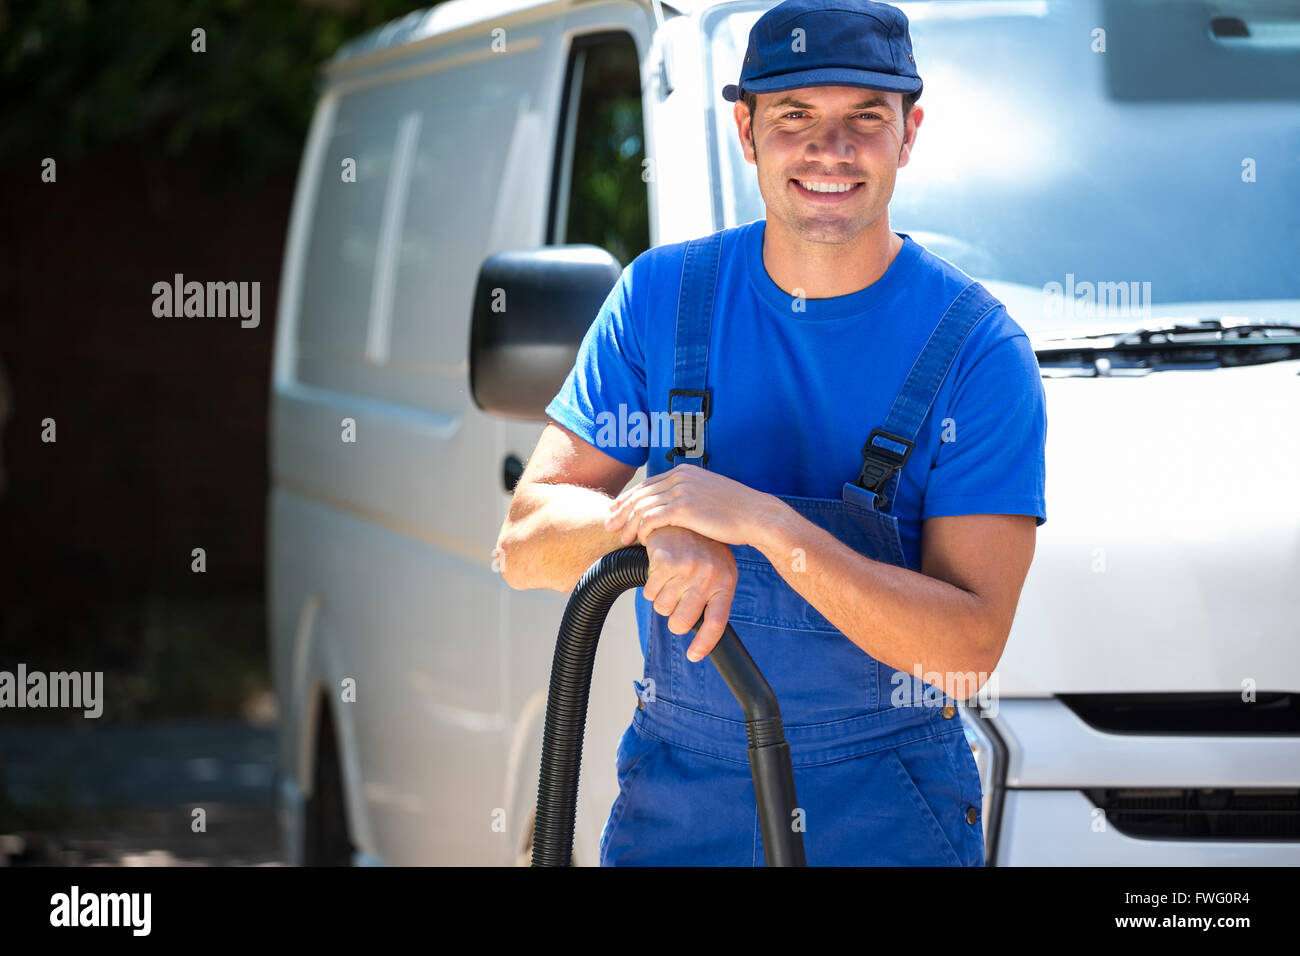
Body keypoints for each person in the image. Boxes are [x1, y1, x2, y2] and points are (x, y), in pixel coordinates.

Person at [496, 0, 1047, 866]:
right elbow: (525, 542)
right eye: (795, 116)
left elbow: (966, 654)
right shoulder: (661, 300)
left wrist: (765, 526)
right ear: (747, 130)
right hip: (681, 799)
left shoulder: (977, 352)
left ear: (909, 134)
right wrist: (653, 529)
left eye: (866, 117)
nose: (831, 150)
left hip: (886, 808)